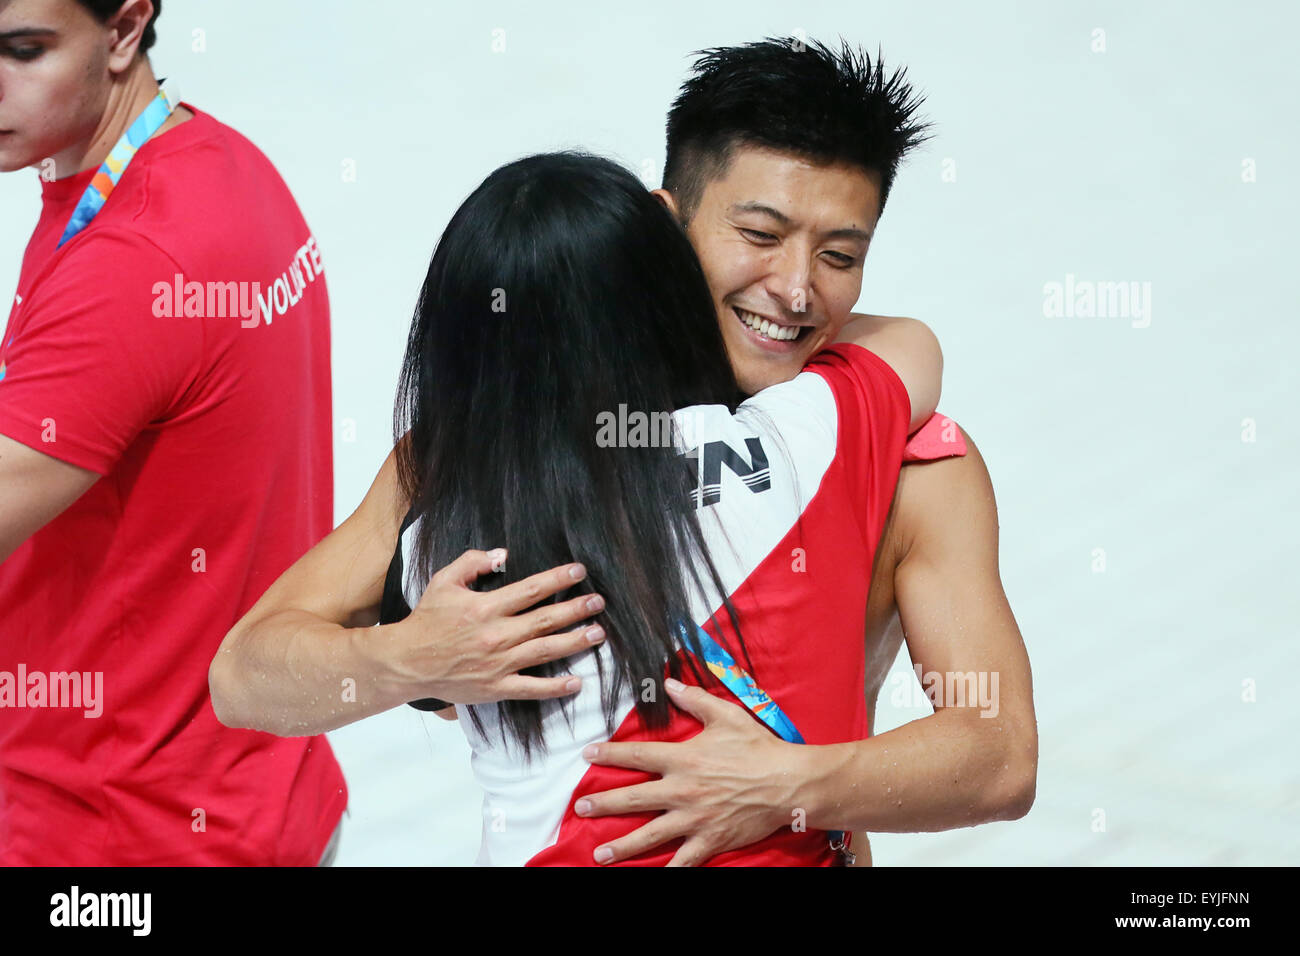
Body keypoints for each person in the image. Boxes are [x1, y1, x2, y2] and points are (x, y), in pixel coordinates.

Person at [210, 148, 942, 865]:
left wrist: (407, 659)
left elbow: (240, 679)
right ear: (666, 294)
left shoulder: (440, 501)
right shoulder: (797, 441)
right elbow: (912, 346)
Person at [558, 37, 1038, 866]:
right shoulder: (543, 424)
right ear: (664, 225)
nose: (796, 289)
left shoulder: (913, 463)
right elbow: (256, 666)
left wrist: (781, 785)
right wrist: (401, 661)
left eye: (840, 256)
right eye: (760, 234)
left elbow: (1000, 758)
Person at [0, 0, 345, 864]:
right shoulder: (223, 161)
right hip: (262, 794)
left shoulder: (133, 259)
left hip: (116, 834)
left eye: (21, 50)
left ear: (124, 28)